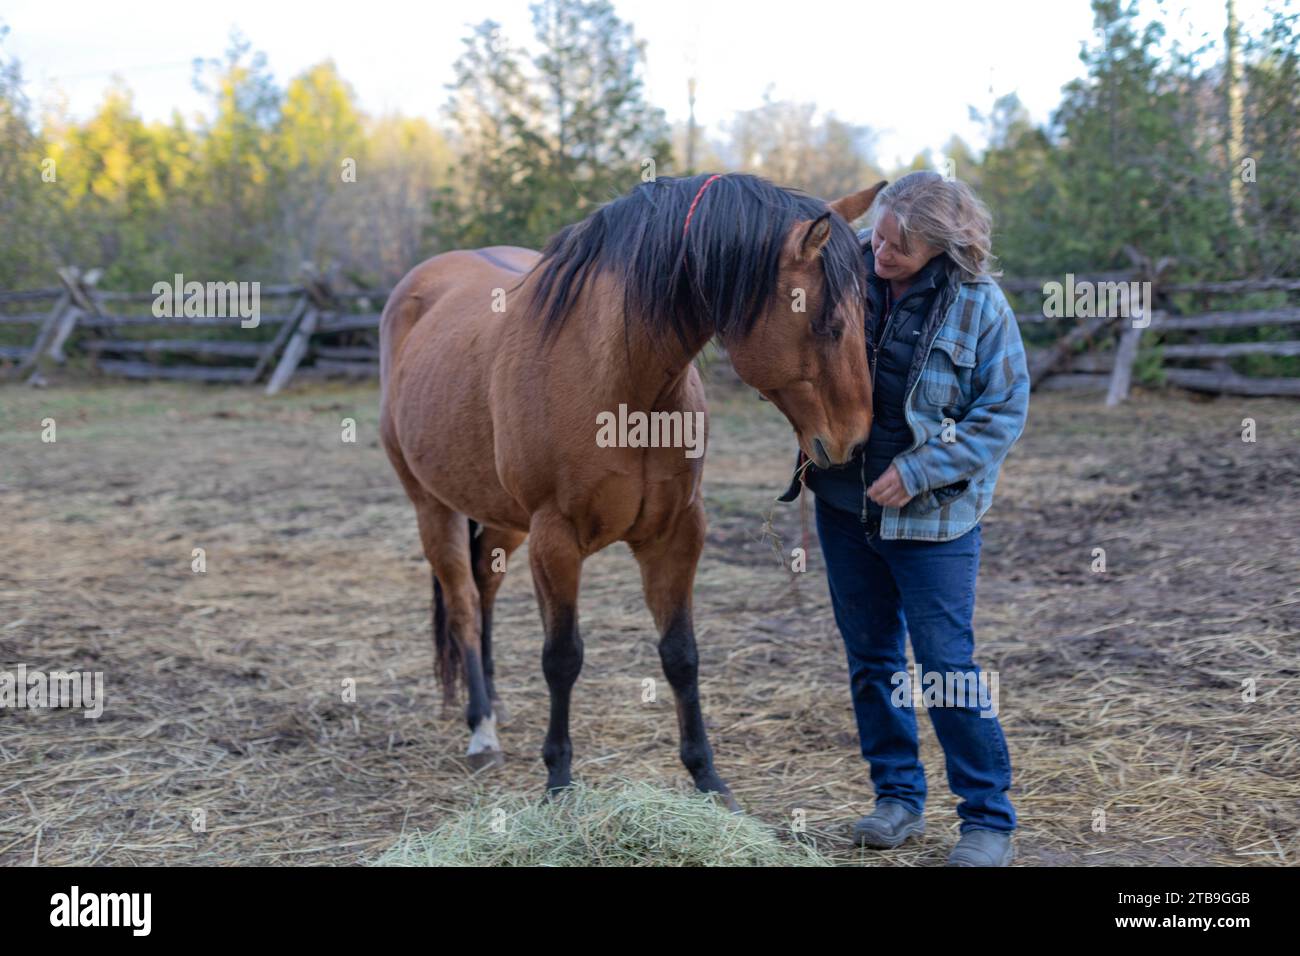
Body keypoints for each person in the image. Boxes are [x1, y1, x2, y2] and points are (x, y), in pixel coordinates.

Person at [778, 170, 1031, 866]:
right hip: (842, 505)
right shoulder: (843, 273)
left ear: (943, 250)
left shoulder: (980, 306)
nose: (880, 254)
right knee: (872, 662)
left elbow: (1002, 414)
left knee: (946, 666)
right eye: (878, 235)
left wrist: (919, 471)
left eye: (901, 249)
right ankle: (897, 798)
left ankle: (987, 820)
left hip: (935, 524)